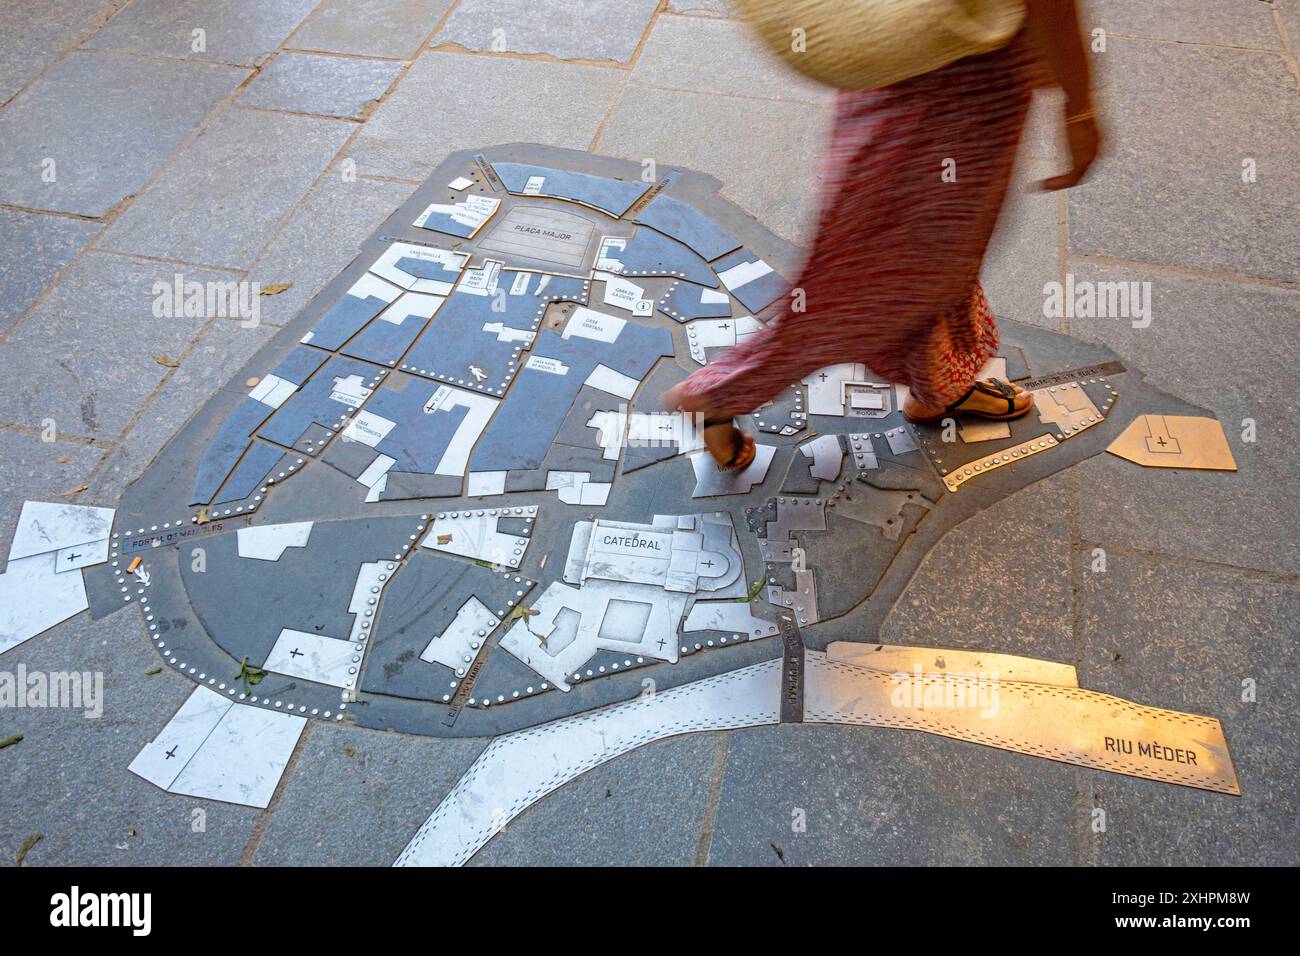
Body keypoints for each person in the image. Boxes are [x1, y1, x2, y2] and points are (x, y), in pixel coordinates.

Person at [667, 0, 1101, 468]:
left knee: (936, 256)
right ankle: (719, 394)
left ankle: (939, 385)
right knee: (875, 282)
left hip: (908, 51)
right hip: (950, 88)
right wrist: (1080, 108)